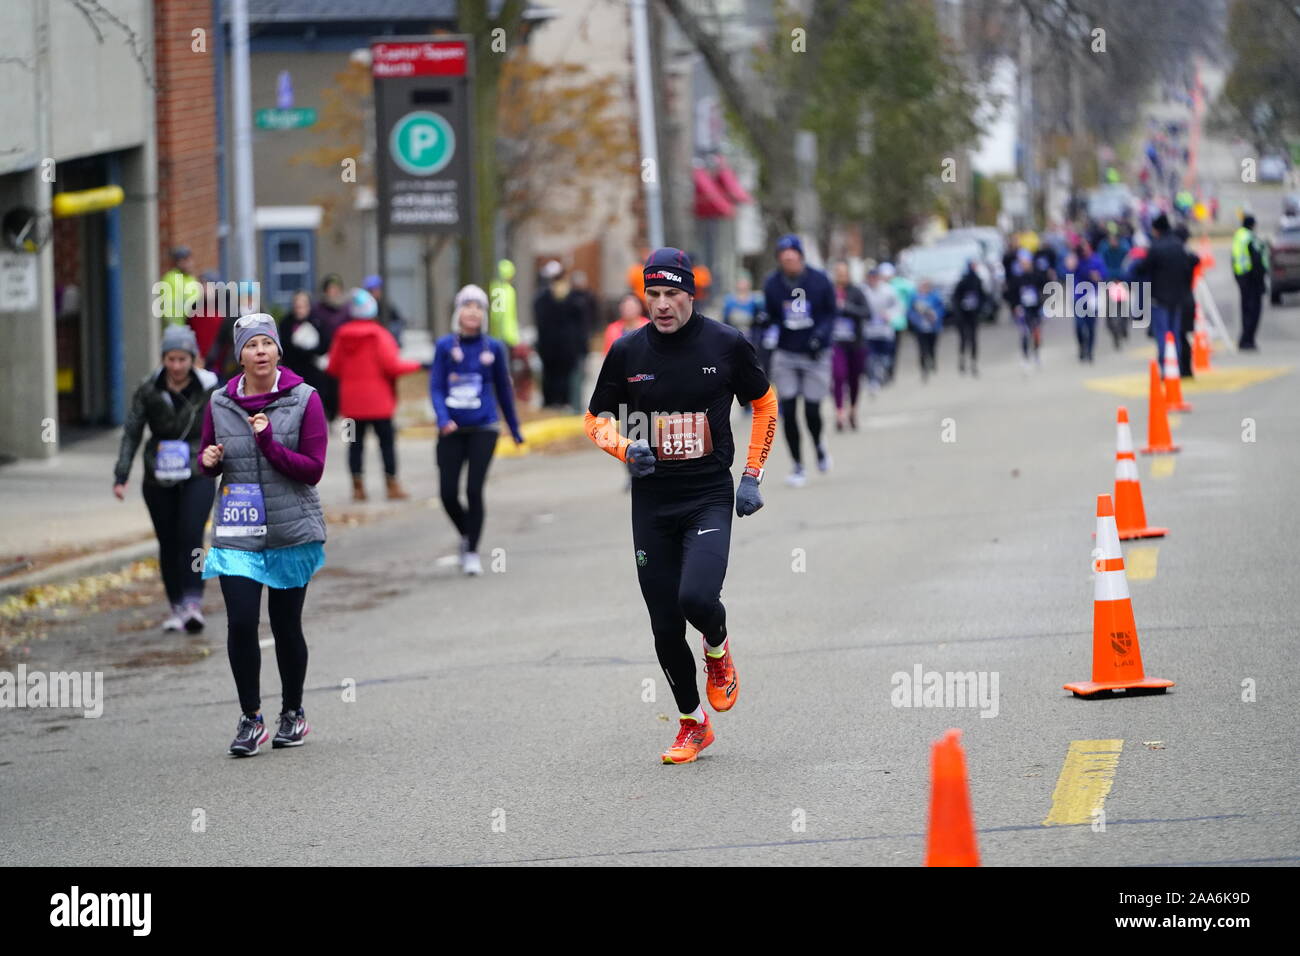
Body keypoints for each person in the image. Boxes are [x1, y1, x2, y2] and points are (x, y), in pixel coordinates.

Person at [584, 247, 778, 764]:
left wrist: (752, 475)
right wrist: (626, 448)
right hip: (652, 503)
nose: (662, 305)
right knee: (664, 622)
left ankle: (718, 647)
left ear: (691, 294)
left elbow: (764, 402)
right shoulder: (627, 352)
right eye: (654, 294)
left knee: (696, 598)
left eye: (673, 294)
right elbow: (595, 418)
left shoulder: (725, 344)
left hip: (708, 495)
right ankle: (693, 723)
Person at [198, 314, 328, 757]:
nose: (259, 352)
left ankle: (292, 711)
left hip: (292, 527)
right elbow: (206, 457)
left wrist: (270, 443)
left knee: (286, 624)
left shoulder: (305, 399)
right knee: (239, 622)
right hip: (238, 528)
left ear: (277, 351)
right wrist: (210, 460)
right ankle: (250, 718)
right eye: (250, 345)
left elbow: (313, 470)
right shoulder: (219, 402)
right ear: (240, 356)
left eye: (265, 344)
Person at [113, 325, 219, 632]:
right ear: (163, 359)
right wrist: (121, 474)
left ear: (193, 359)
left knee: (191, 533)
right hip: (158, 475)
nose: (176, 366)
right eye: (170, 359)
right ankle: (176, 605)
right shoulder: (149, 389)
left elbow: (224, 424)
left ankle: (193, 602)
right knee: (168, 540)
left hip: (198, 470)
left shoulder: (209, 388)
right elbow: (132, 431)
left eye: (182, 359)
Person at [430, 285, 524, 576]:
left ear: (484, 314)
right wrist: (443, 418)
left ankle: (471, 551)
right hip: (451, 428)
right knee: (447, 493)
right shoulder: (445, 346)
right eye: (467, 305)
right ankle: (465, 534)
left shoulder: (493, 347)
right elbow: (436, 386)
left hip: (484, 426)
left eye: (478, 306)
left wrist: (515, 428)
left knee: (473, 489)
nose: (472, 311)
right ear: (458, 311)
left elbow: (504, 391)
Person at [327, 288, 423, 502]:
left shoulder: (341, 336)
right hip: (380, 404)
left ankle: (357, 487)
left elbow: (333, 367)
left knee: (353, 443)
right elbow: (392, 366)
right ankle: (392, 485)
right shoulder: (380, 335)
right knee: (387, 443)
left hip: (350, 405)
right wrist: (418, 365)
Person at [760, 234, 836, 486]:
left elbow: (830, 314)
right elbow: (770, 316)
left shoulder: (819, 280)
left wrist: (820, 336)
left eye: (792, 257)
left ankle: (818, 445)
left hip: (815, 354)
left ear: (801, 257)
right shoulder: (773, 284)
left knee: (812, 411)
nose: (788, 261)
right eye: (784, 258)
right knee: (789, 411)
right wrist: (764, 323)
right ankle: (797, 464)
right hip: (787, 353)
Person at [1133, 213, 1193, 365]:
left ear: (1157, 229)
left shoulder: (1156, 247)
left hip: (1160, 298)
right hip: (1178, 296)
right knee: (1175, 333)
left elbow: (1143, 268)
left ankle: (1165, 365)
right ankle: (1176, 364)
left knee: (1162, 333)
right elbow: (1189, 266)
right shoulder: (1179, 246)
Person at [533, 261, 585, 410]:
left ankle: (565, 402)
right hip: (548, 346)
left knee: (566, 377)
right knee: (550, 376)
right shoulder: (542, 298)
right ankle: (551, 402)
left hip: (568, 347)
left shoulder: (574, 298)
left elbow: (581, 322)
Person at [829, 260, 870, 430]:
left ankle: (853, 410)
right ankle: (840, 412)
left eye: (844, 273)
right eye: (838, 273)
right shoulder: (828, 292)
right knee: (838, 376)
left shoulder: (857, 292)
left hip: (855, 343)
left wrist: (846, 308)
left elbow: (867, 313)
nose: (841, 277)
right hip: (835, 342)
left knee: (854, 379)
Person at [278, 290, 332, 402]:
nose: (300, 309)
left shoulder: (317, 321)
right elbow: (285, 347)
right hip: (294, 372)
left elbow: (325, 345)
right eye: (297, 306)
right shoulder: (286, 323)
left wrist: (311, 351)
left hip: (314, 374)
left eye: (303, 306)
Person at [310, 274, 348, 421]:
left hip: (342, 357)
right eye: (330, 289)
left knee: (338, 390)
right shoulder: (317, 310)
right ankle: (325, 416)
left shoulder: (345, 310)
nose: (333, 292)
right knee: (323, 389)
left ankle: (337, 414)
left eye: (336, 289)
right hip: (322, 357)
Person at [1232, 214, 1269, 350]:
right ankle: (1248, 340)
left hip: (1242, 278)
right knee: (1253, 310)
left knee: (1246, 309)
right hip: (1252, 280)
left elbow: (1234, 259)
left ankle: (1245, 339)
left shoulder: (1238, 236)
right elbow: (1257, 261)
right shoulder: (1250, 238)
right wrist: (1261, 281)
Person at [862, 267, 900, 393]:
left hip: (885, 331)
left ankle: (883, 373)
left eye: (875, 277)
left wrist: (889, 314)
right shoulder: (863, 290)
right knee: (870, 357)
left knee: (885, 357)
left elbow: (898, 306)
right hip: (869, 331)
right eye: (870, 277)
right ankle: (873, 380)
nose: (872, 280)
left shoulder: (888, 290)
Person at [1009, 249, 1049, 368]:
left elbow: (1046, 289)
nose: (1024, 264)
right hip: (1023, 309)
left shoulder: (1037, 275)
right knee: (1025, 333)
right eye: (1022, 262)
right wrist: (1015, 307)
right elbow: (1012, 294)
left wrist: (1044, 305)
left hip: (1036, 308)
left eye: (1026, 262)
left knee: (1036, 332)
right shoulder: (1017, 278)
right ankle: (1025, 357)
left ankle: (1036, 354)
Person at [569, 269, 599, 412]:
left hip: (582, 344)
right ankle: (575, 405)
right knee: (576, 376)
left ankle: (580, 405)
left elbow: (594, 318)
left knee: (582, 376)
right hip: (572, 346)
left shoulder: (588, 297)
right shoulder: (571, 299)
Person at [951, 259, 986, 376]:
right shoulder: (962, 282)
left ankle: (973, 362)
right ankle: (962, 361)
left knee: (974, 340)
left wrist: (980, 309)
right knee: (963, 339)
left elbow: (982, 296)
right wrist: (958, 313)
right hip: (962, 316)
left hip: (973, 315)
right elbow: (955, 299)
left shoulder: (977, 281)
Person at [1173, 224, 1200, 377]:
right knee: (1183, 336)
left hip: (1179, 300)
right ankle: (1186, 368)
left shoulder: (1178, 256)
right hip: (1188, 298)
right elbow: (1196, 259)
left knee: (1179, 336)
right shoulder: (1188, 255)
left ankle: (1182, 368)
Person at [907, 279, 944, 381]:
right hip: (920, 328)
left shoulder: (935, 296)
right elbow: (910, 312)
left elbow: (941, 309)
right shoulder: (915, 297)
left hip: (933, 327)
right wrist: (916, 321)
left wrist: (935, 316)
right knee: (922, 349)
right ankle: (924, 368)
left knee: (932, 347)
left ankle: (932, 362)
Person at [158, 245, 201, 328]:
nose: (190, 264)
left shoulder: (192, 278)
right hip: (177, 328)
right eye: (185, 261)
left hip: (191, 326)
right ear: (178, 262)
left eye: (190, 260)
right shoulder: (170, 278)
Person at [362, 274, 406, 348]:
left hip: (384, 343)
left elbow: (399, 322)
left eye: (377, 289)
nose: (375, 293)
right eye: (371, 290)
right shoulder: (362, 308)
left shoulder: (386, 306)